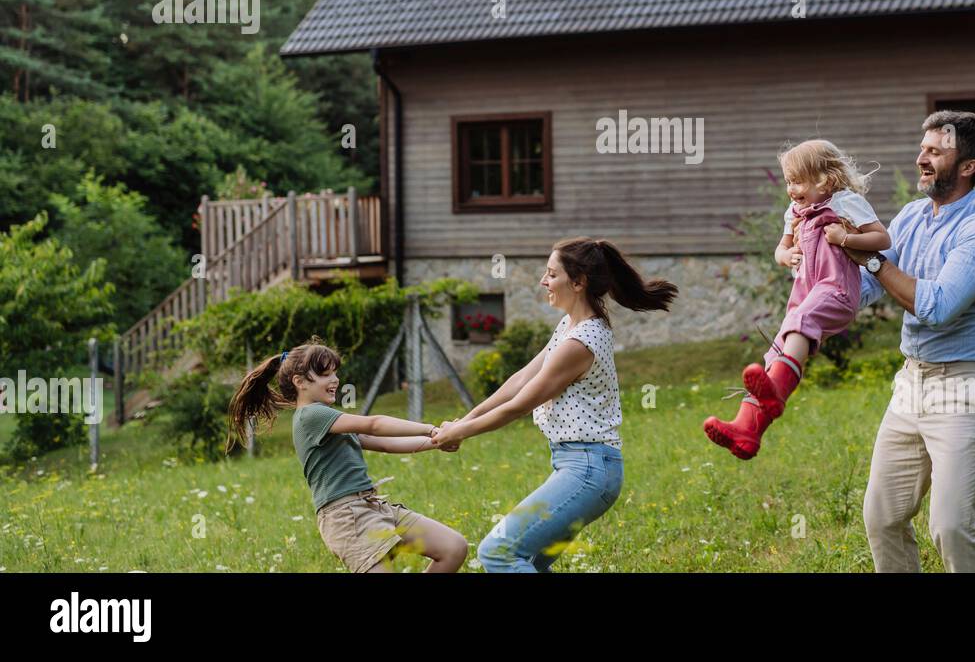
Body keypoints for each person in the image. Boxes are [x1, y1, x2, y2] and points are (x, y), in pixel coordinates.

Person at [430, 237, 677, 572]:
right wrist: (464, 420)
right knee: (528, 559)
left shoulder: (580, 342)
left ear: (578, 282)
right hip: (579, 466)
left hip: (589, 470)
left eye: (551, 274)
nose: (542, 281)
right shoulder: (570, 327)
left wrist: (461, 432)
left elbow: (519, 404)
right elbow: (520, 379)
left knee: (498, 551)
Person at [858, 111, 975, 572]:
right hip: (911, 383)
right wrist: (820, 265)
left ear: (968, 167)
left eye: (934, 151)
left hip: (968, 386)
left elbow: (938, 306)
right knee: (882, 518)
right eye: (922, 148)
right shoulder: (910, 216)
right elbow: (866, 289)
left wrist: (869, 262)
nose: (921, 158)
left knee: (950, 526)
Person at [704, 139, 890, 460]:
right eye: (788, 181)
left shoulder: (846, 202)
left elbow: (882, 238)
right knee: (775, 355)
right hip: (804, 293)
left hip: (836, 291)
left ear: (826, 180)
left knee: (799, 324)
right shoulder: (795, 212)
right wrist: (786, 254)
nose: (791, 188)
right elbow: (780, 249)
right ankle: (746, 430)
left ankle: (776, 391)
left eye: (798, 180)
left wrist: (845, 237)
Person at [226, 337, 468, 573]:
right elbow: (374, 424)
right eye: (325, 374)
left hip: (371, 506)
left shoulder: (328, 419)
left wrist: (437, 441)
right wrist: (431, 428)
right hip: (346, 517)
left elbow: (383, 443)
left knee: (453, 547)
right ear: (300, 382)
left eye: (335, 373)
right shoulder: (311, 416)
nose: (335, 380)